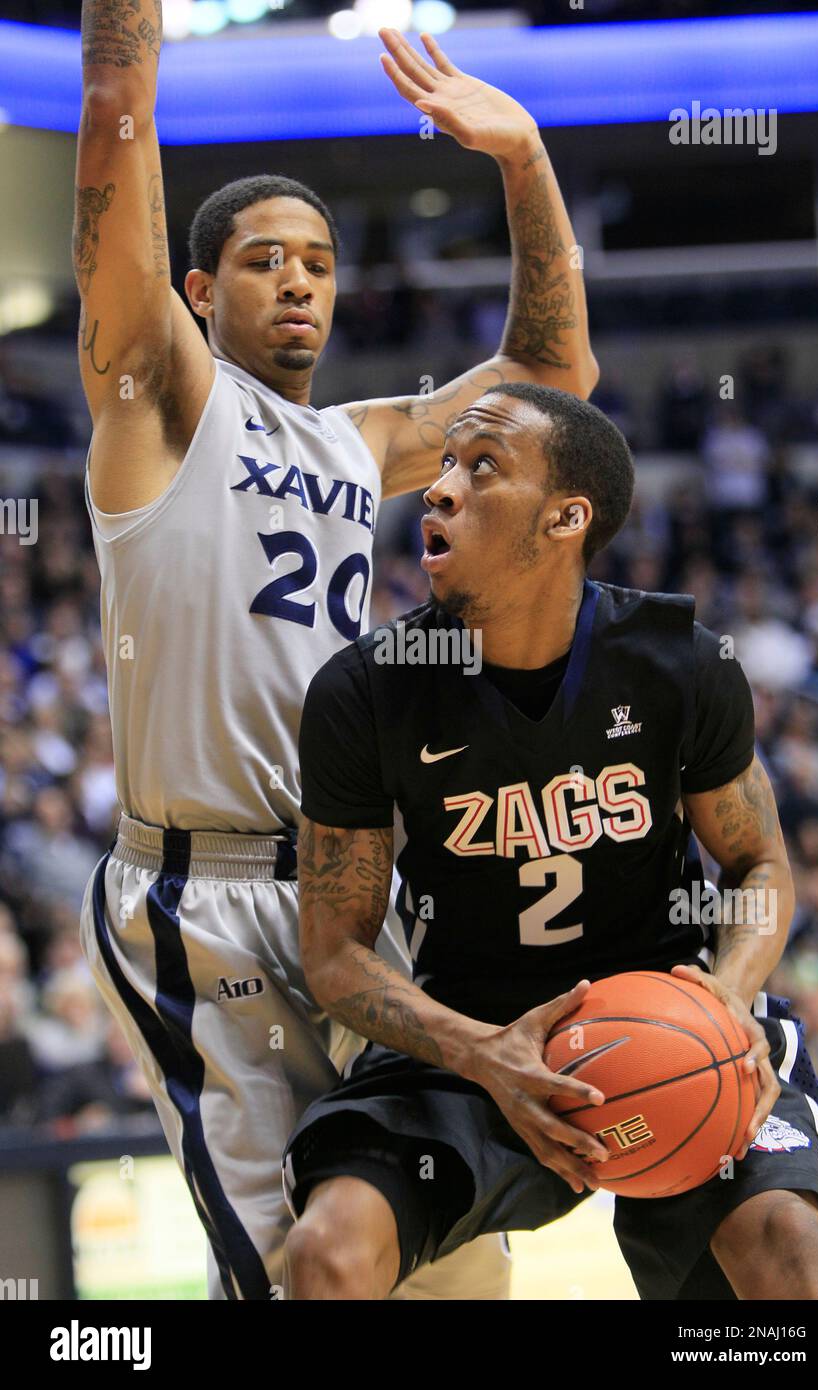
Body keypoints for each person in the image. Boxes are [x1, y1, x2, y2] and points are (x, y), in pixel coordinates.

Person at [73, 1, 597, 1301]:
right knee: (299, 1277)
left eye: (315, 257)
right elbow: (112, 119)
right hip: (203, 903)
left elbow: (555, 376)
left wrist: (524, 159)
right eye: (262, 260)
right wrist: (126, 30)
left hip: (354, 894)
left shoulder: (361, 441)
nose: (300, 276)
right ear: (198, 292)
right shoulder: (158, 397)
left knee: (451, 1264)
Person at [282, 383, 818, 1300]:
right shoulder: (365, 691)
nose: (437, 490)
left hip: (674, 1025)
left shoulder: (682, 662)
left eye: (482, 468)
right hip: (473, 1038)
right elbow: (336, 953)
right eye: (440, 466)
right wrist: (482, 1052)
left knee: (796, 1265)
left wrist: (730, 995)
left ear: (565, 518)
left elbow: (759, 865)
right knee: (326, 1255)